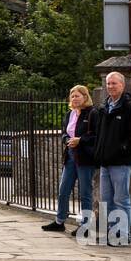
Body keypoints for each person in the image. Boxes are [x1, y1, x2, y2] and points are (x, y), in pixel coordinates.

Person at [82, 72, 131, 245]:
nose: (110, 87)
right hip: (104, 163)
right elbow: (98, 135)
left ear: (122, 85)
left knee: (121, 199)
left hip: (120, 163)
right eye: (108, 84)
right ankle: (112, 233)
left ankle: (123, 236)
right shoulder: (103, 108)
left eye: (114, 83)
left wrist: (120, 150)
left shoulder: (130, 108)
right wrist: (99, 153)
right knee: (107, 201)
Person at [43, 85, 95, 232]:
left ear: (85, 97)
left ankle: (85, 226)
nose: (74, 99)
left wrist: (80, 140)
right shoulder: (69, 114)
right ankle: (59, 221)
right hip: (70, 156)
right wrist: (67, 139)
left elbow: (96, 136)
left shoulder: (92, 113)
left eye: (78, 96)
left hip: (85, 158)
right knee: (63, 189)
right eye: (72, 96)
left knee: (85, 192)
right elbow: (64, 133)